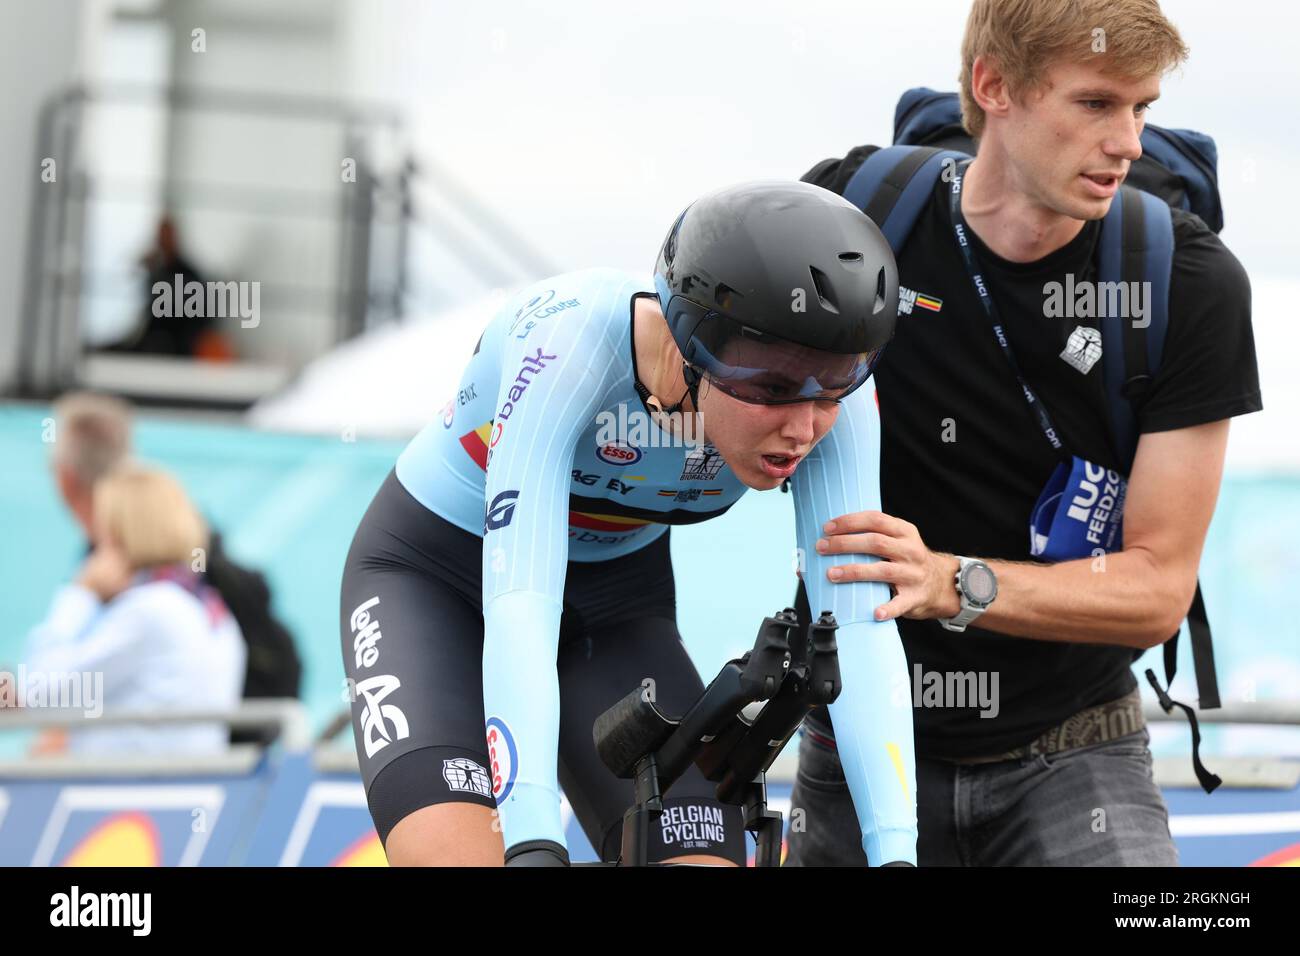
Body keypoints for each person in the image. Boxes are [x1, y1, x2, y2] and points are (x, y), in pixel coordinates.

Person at [786, 0, 1261, 866]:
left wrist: (953, 582)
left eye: (1142, 107)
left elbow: (1158, 590)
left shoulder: (1188, 283)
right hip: (860, 723)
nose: (1130, 143)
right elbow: (722, 402)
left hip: (1076, 747)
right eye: (1096, 104)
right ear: (994, 86)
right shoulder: (852, 215)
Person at [339, 181, 918, 866]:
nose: (805, 426)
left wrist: (897, 853)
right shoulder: (568, 346)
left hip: (615, 611)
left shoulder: (832, 399)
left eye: (835, 389)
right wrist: (530, 839)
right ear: (693, 344)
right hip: (439, 583)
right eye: (772, 390)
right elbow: (520, 601)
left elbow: (856, 623)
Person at [47, 392, 303, 744]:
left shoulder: (149, 609)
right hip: (206, 777)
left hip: (141, 787)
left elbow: (47, 690)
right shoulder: (205, 604)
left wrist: (79, 595)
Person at [19, 465, 247, 755]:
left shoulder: (149, 610)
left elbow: (39, 693)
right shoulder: (211, 611)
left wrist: (79, 594)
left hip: (130, 794)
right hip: (182, 789)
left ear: (117, 536)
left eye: (102, 535)